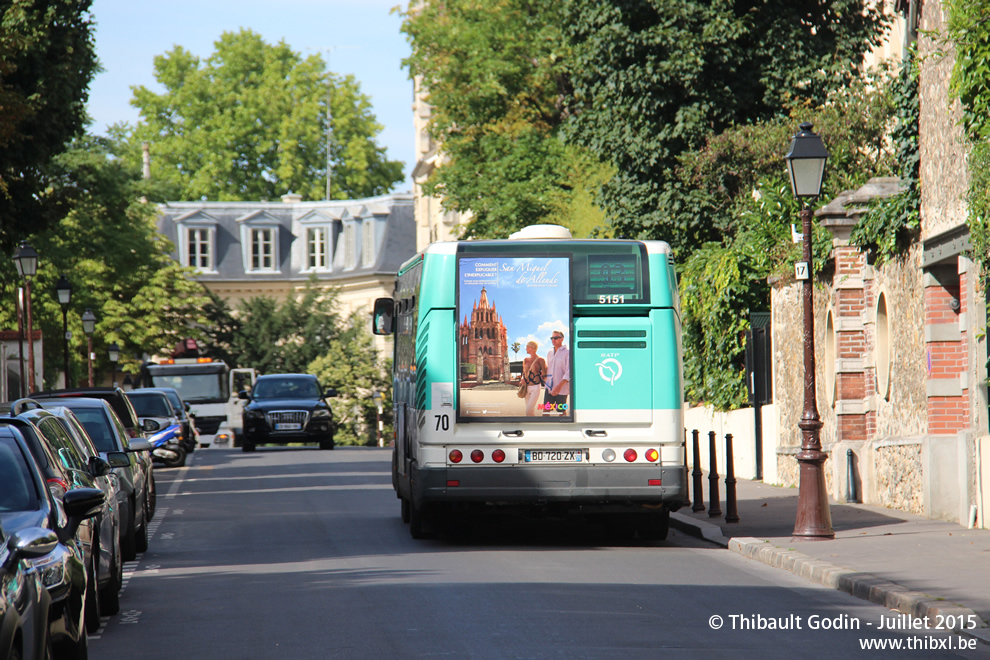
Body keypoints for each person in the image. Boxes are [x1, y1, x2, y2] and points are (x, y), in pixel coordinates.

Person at [543, 330, 570, 415]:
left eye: (555, 338)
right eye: (552, 338)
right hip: (549, 388)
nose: (553, 340)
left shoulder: (567, 352)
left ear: (562, 339)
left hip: (561, 389)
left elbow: (569, 371)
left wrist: (559, 387)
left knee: (561, 411)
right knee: (545, 411)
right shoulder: (549, 353)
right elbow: (549, 368)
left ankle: (564, 428)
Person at [522, 341, 547, 416]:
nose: (526, 348)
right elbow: (524, 372)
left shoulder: (541, 360)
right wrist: (522, 379)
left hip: (535, 387)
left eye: (527, 347)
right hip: (526, 387)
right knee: (529, 411)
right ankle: (531, 426)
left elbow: (545, 374)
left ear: (532, 348)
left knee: (528, 410)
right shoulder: (525, 359)